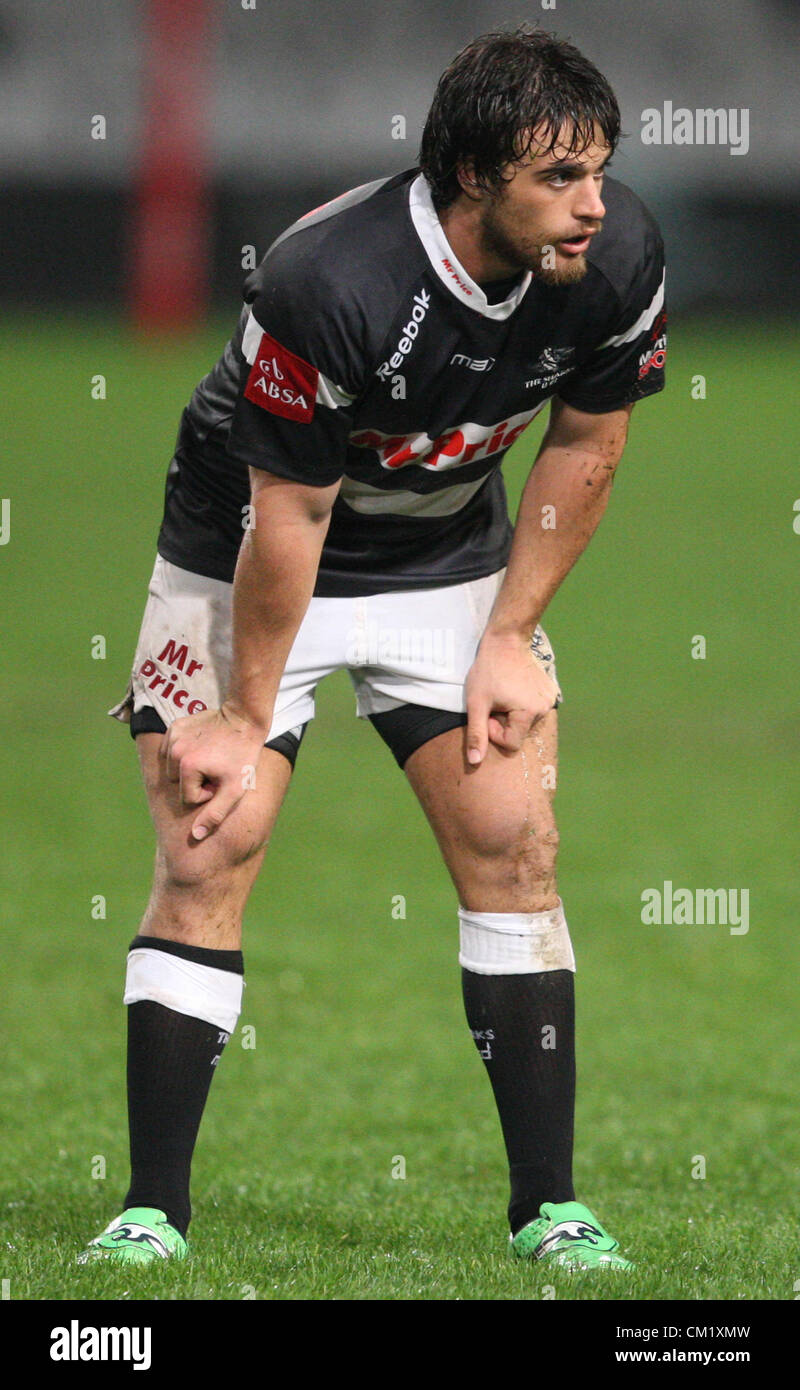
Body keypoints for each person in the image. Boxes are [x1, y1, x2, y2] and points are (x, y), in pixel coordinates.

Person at [81, 25, 666, 1271]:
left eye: (598, 173)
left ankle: (548, 1211)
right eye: (556, 180)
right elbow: (286, 515)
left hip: (444, 560)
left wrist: (509, 635)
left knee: (513, 834)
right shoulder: (328, 280)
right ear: (469, 178)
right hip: (245, 544)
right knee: (210, 834)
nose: (590, 208)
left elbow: (585, 446)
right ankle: (149, 1211)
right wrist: (239, 719)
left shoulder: (613, 260)